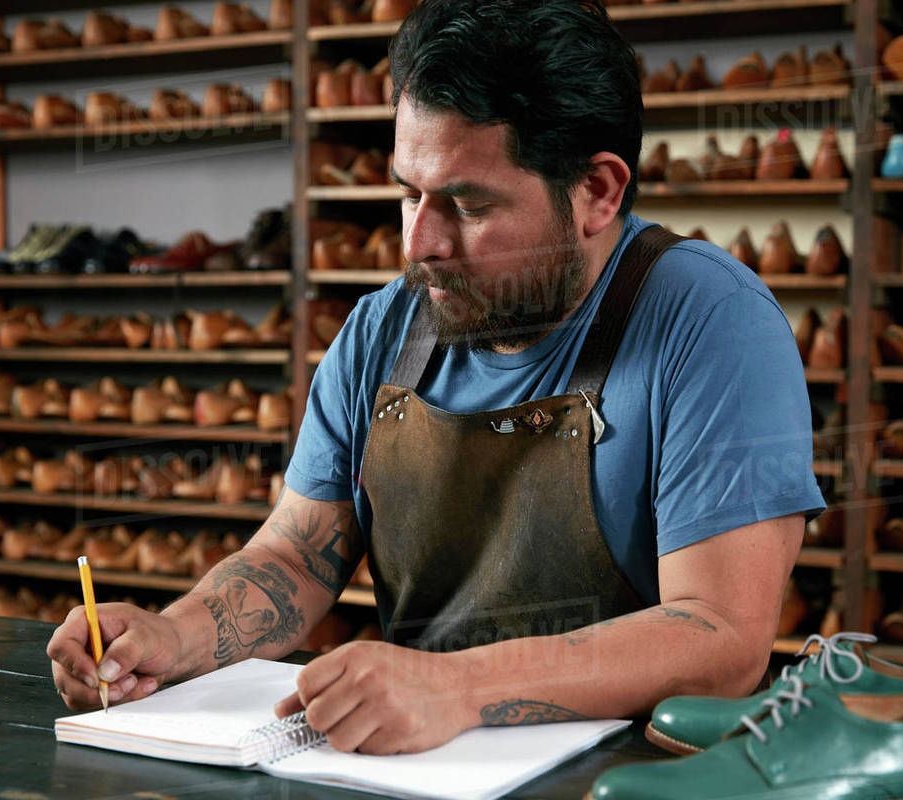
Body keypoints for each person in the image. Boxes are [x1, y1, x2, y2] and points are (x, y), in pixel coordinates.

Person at [48, 0, 825, 756]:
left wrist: (456, 688)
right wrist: (173, 636)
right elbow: (294, 559)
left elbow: (722, 638)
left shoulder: (711, 320)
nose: (420, 243)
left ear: (598, 192)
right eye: (409, 194)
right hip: (427, 772)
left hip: (637, 774)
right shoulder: (384, 330)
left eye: (467, 204)